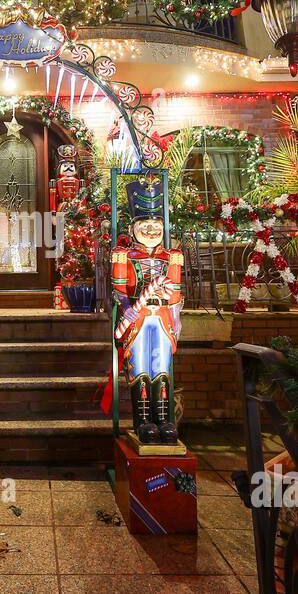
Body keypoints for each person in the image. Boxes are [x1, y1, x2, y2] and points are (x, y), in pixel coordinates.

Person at [112, 177, 183, 444]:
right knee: (140, 366)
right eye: (145, 224)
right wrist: (127, 307)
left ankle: (164, 420)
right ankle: (143, 422)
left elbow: (175, 291)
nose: (151, 229)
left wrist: (176, 321)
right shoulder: (124, 256)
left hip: (162, 317)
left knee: (161, 367)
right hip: (138, 319)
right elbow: (119, 289)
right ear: (133, 228)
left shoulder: (172, 257)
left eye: (156, 224)